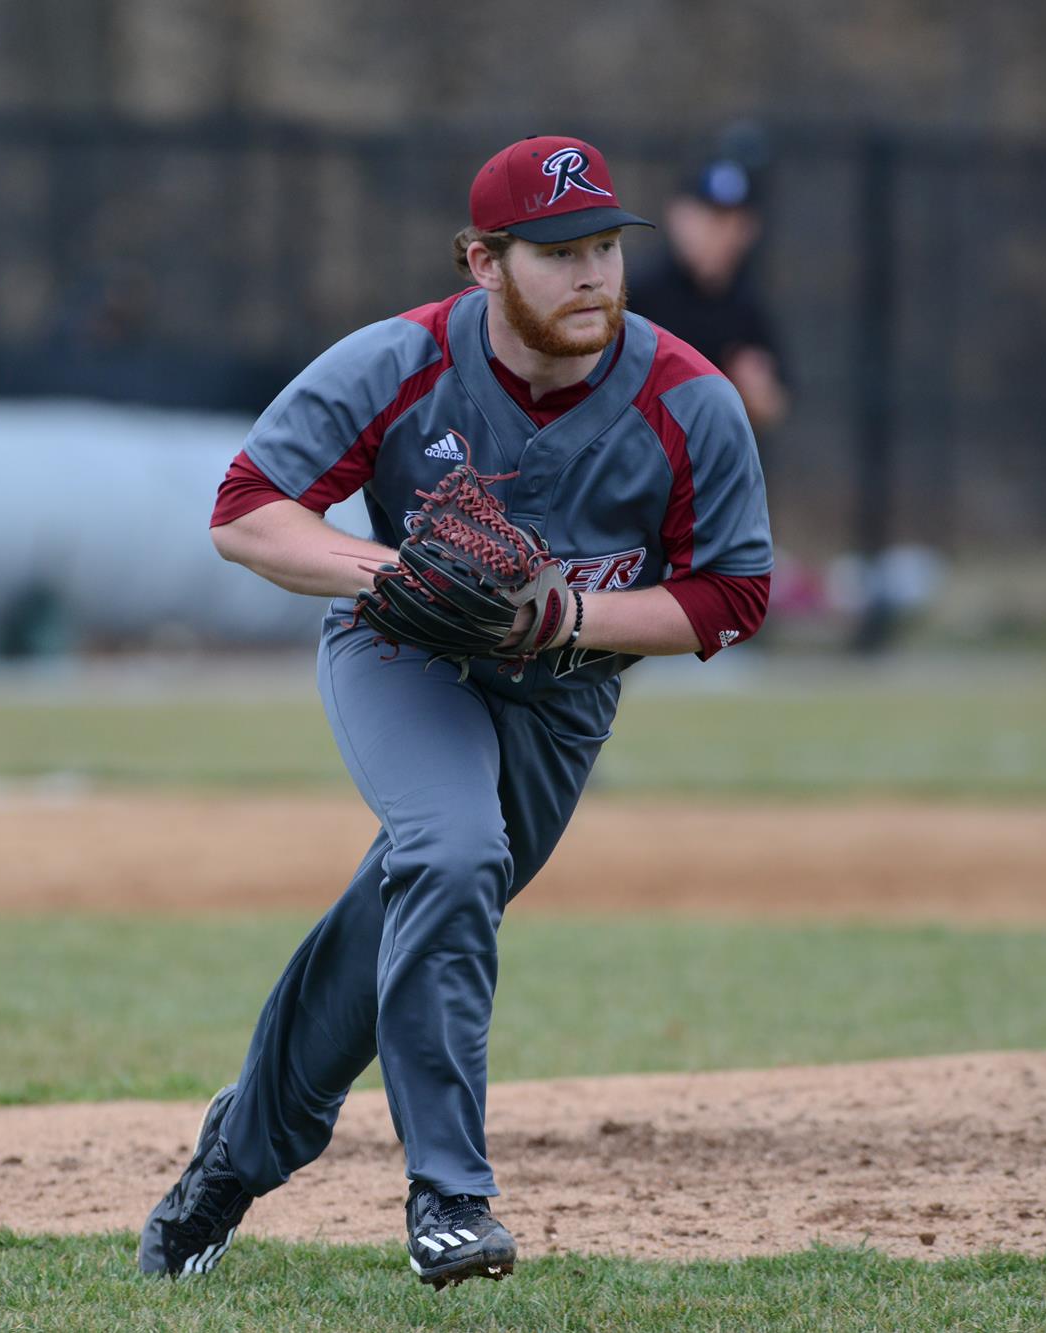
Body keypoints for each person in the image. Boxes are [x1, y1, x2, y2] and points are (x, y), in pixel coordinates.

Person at [138, 134, 772, 1288]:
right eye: (554, 253)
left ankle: (232, 1159)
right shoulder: (398, 364)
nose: (590, 275)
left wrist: (562, 623)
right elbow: (244, 510)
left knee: (409, 906)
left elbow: (731, 595)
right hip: (404, 653)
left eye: (601, 249)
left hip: (559, 698)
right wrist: (384, 573)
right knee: (449, 846)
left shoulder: (688, 400)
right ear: (482, 261)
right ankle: (449, 1195)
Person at [625, 155, 790, 433]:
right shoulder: (639, 293)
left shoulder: (745, 305)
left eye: (735, 222)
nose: (723, 234)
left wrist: (756, 392)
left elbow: (775, 402)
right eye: (711, 219)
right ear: (677, 216)